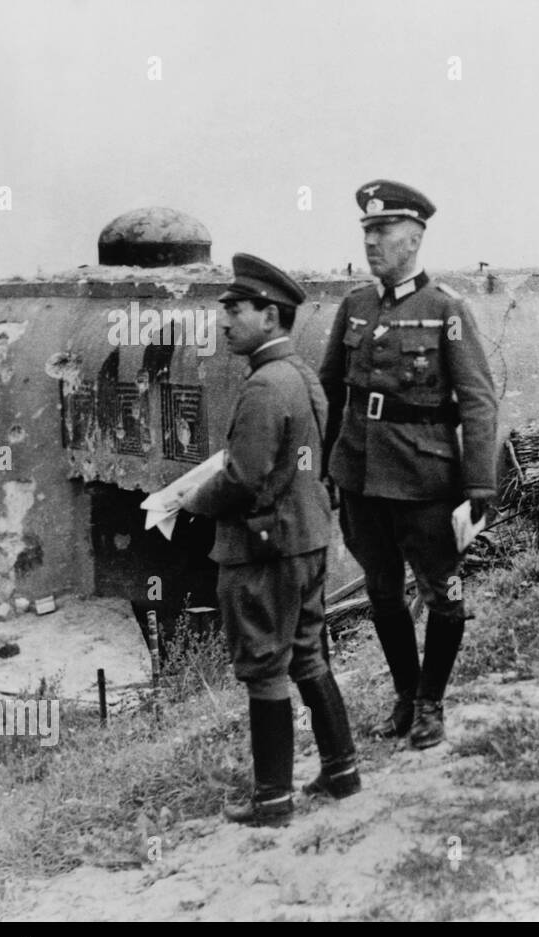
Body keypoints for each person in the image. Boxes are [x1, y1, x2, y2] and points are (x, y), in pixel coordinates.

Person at [319, 181, 499, 747]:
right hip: (360, 474)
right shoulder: (355, 305)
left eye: (384, 231)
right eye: (367, 231)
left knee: (443, 594)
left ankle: (431, 703)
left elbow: (478, 399)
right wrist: (325, 467)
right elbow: (329, 389)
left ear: (415, 238)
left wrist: (479, 484)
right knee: (382, 591)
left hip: (424, 478)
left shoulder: (446, 308)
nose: (372, 241)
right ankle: (405, 695)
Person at [183, 254, 359, 826]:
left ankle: (273, 801)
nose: (225, 321)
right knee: (307, 653)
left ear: (270, 315)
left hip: (265, 548)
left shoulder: (264, 386)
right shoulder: (301, 375)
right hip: (306, 538)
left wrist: (188, 501)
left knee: (264, 666)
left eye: (236, 310)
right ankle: (342, 771)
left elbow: (244, 477)